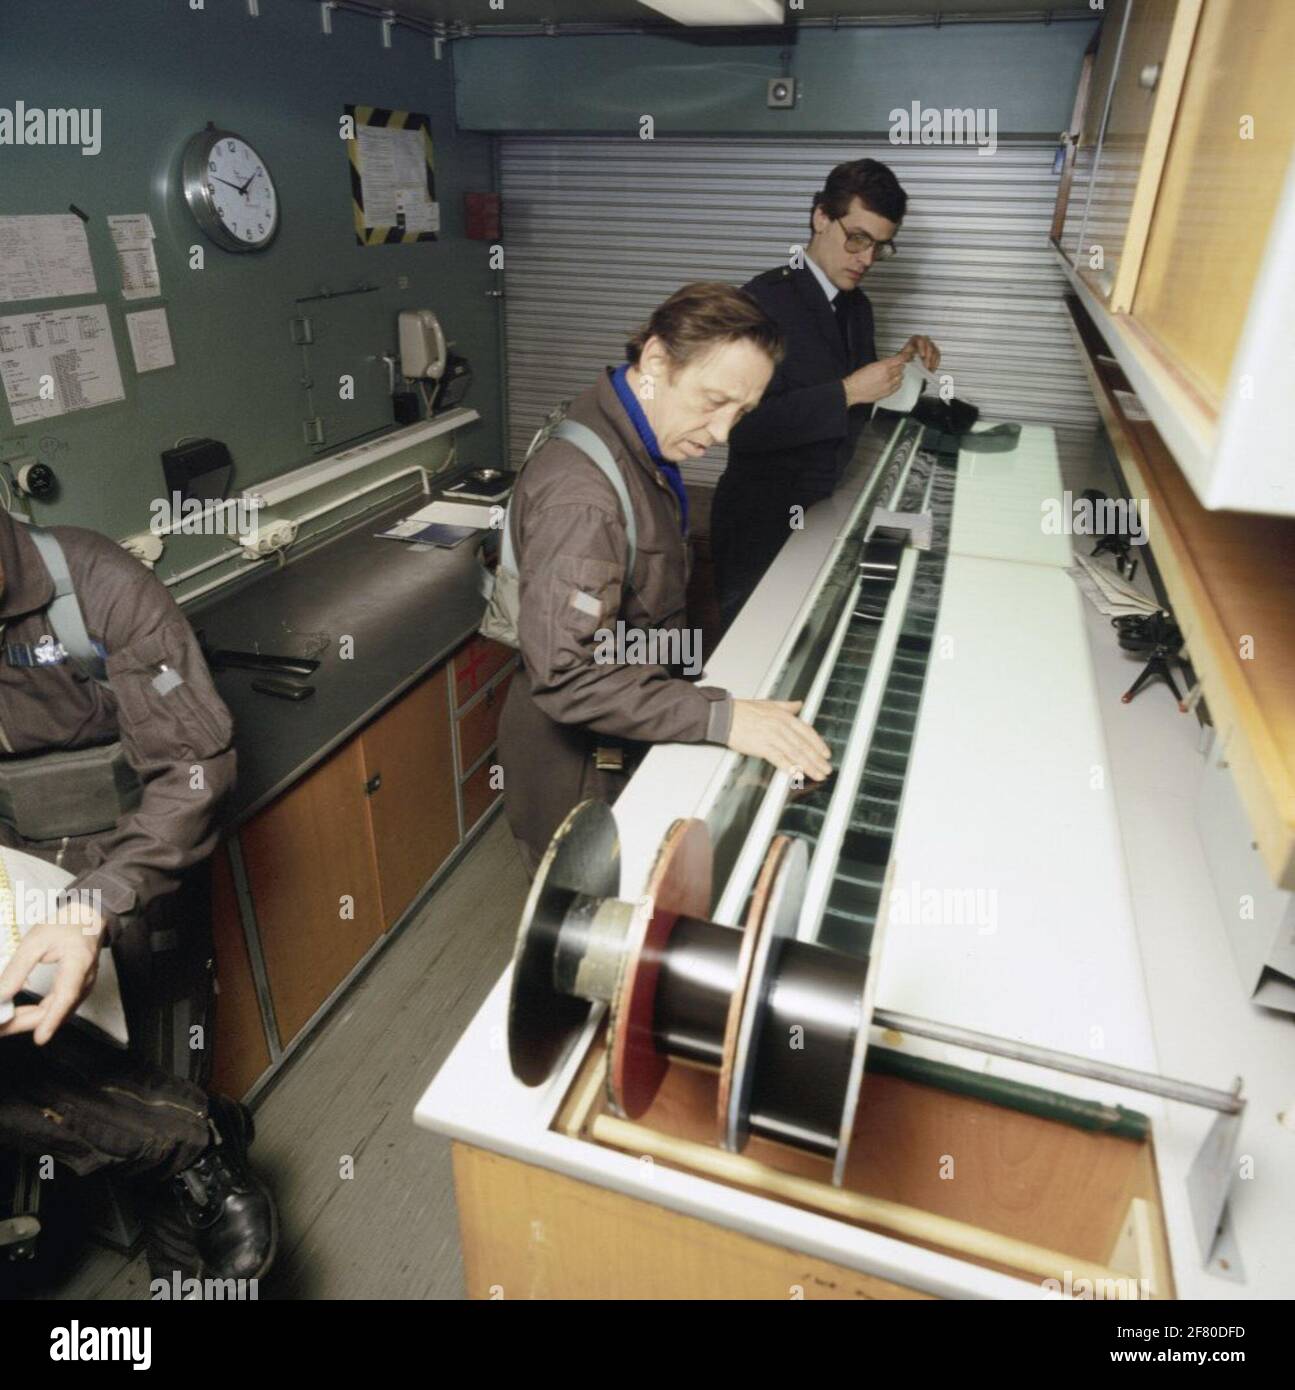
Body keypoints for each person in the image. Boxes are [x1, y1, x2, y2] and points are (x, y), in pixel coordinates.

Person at [0, 504, 276, 1284]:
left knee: (164, 1092)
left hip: (130, 860)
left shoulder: (97, 585)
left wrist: (94, 903)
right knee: (76, 1091)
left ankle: (189, 1244)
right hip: (12, 866)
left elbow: (195, 773)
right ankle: (200, 1134)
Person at [498, 281, 833, 873]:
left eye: (742, 412)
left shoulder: (632, 434)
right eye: (713, 400)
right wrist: (719, 717)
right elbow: (564, 675)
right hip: (579, 770)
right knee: (596, 938)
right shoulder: (584, 500)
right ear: (655, 361)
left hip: (630, 708)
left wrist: (705, 684)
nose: (724, 433)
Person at [711, 157, 943, 631]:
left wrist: (896, 367)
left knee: (803, 645)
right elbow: (743, 427)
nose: (867, 259)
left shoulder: (857, 308)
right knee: (750, 656)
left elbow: (851, 394)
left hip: (823, 513)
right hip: (759, 528)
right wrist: (847, 392)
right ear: (820, 217)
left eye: (881, 246)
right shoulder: (759, 303)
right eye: (857, 238)